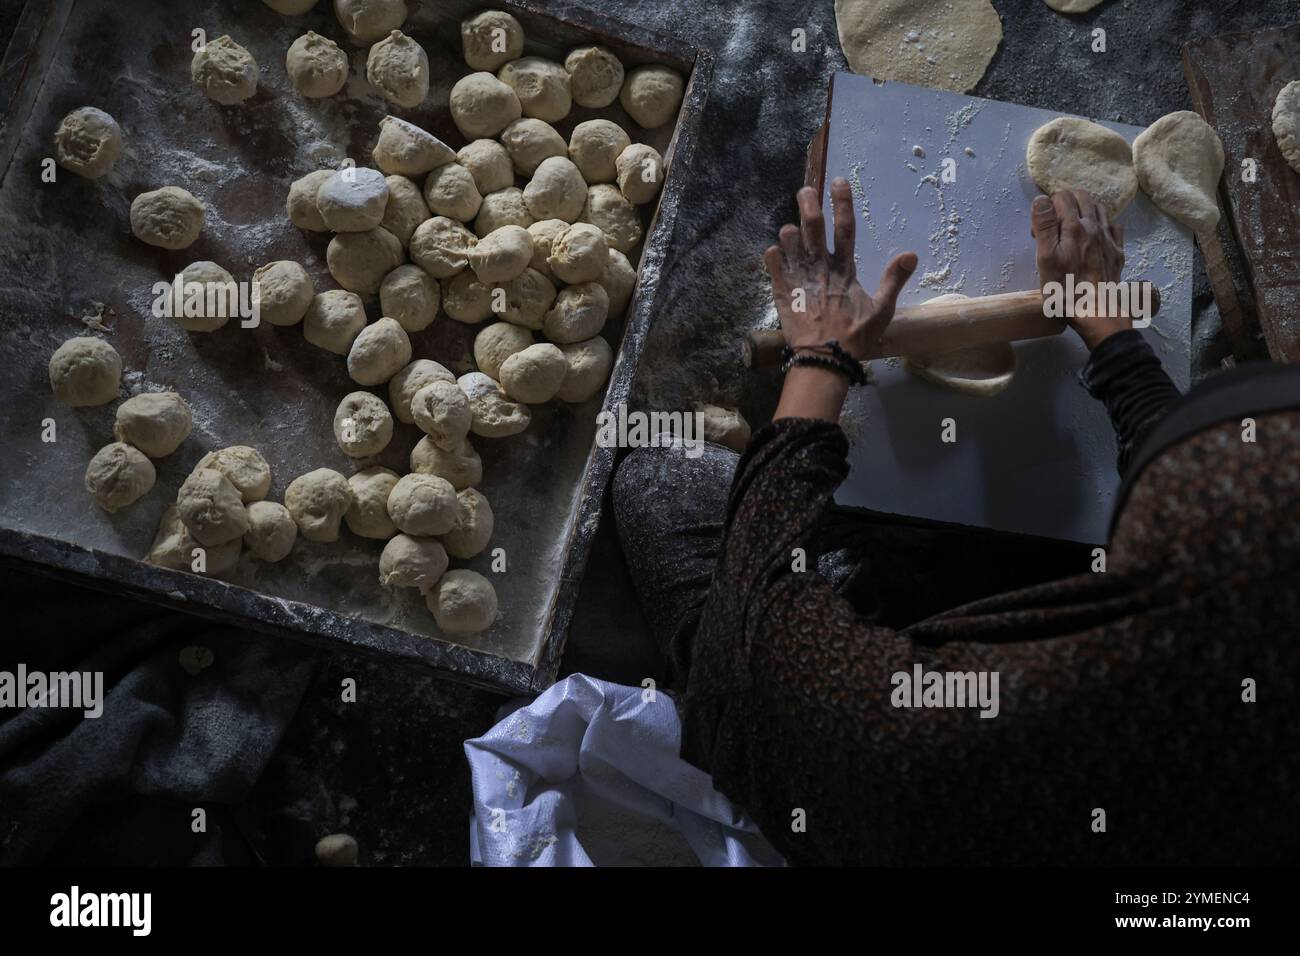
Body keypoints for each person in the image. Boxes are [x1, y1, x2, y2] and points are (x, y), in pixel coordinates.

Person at [613, 178, 1300, 865]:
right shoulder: (1254, 620)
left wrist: (820, 358)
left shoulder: (931, 736)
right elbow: (1208, 499)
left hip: (864, 791)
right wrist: (1111, 332)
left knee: (663, 481)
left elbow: (757, 631)